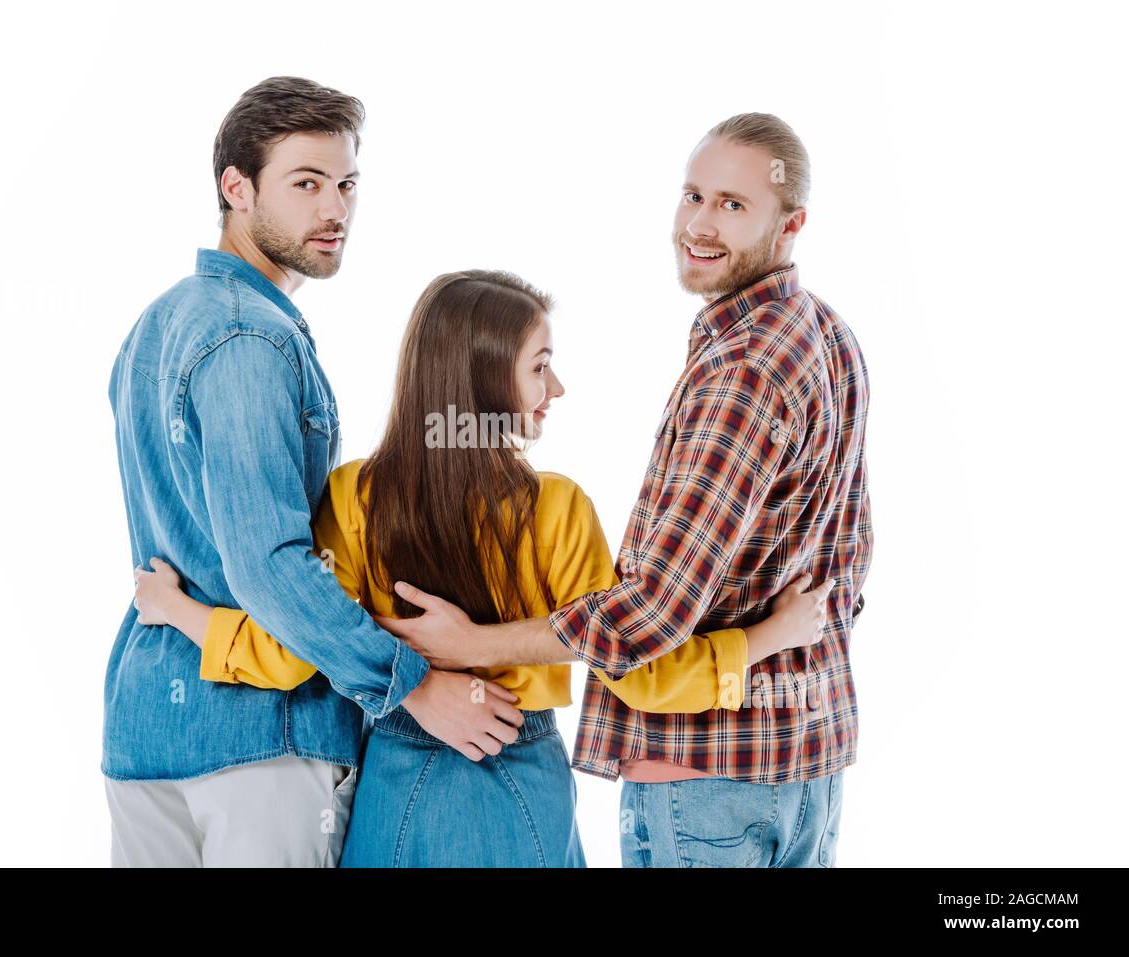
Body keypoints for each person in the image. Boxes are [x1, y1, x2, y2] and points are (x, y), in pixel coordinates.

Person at [133, 269, 833, 867]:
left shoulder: (353, 497)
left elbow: (292, 654)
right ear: (485, 381)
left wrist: (178, 609)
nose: (555, 387)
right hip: (520, 779)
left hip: (394, 780)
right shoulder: (555, 508)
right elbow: (641, 671)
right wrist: (767, 636)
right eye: (539, 365)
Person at [377, 113, 874, 868]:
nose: (699, 224)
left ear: (792, 223)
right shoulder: (826, 334)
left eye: (733, 205)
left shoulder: (739, 372)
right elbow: (849, 556)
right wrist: (781, 638)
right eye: (693, 195)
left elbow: (648, 619)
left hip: (708, 776)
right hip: (809, 766)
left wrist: (471, 645)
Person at [103, 77, 520, 868]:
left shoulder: (155, 327)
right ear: (236, 188)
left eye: (347, 184)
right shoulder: (250, 338)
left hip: (145, 729)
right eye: (306, 184)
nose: (335, 210)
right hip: (262, 741)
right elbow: (268, 566)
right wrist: (409, 686)